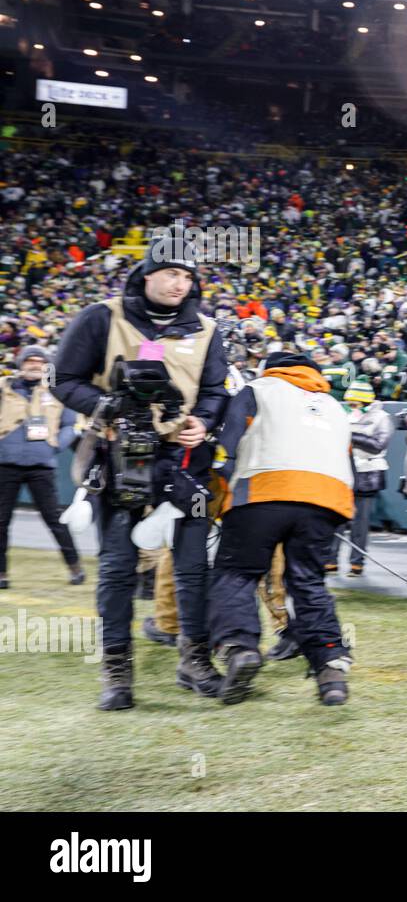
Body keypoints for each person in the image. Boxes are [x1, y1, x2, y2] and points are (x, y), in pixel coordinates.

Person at [52, 239, 230, 711]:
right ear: (147, 274)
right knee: (117, 565)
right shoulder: (101, 317)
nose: (180, 283)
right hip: (119, 456)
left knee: (193, 564)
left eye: (188, 277)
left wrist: (205, 422)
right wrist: (104, 407)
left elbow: (216, 390)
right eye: (171, 272)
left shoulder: (209, 328)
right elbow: (62, 379)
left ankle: (194, 660)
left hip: (182, 458)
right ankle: (117, 671)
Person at [209, 351, 356, 705]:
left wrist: (216, 501)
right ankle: (330, 668)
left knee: (237, 573)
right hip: (328, 499)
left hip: (264, 490)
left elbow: (223, 451)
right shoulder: (335, 406)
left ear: (270, 369)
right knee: (308, 581)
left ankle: (240, 648)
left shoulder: (257, 389)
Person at [0, 345, 83, 588]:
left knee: (55, 520)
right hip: (6, 463)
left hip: (41, 464)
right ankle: (2, 574)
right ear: (21, 364)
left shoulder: (56, 392)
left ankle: (75, 567)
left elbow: (71, 424)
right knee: (1, 522)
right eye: (30, 361)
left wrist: (55, 445)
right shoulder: (5, 389)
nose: (34, 364)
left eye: (39, 361)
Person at [340, 378, 393, 577]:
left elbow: (378, 444)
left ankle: (356, 562)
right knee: (336, 518)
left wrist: (349, 435)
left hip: (367, 473)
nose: (351, 405)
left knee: (360, 522)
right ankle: (329, 559)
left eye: (355, 401)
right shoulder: (343, 414)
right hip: (344, 471)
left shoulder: (382, 417)